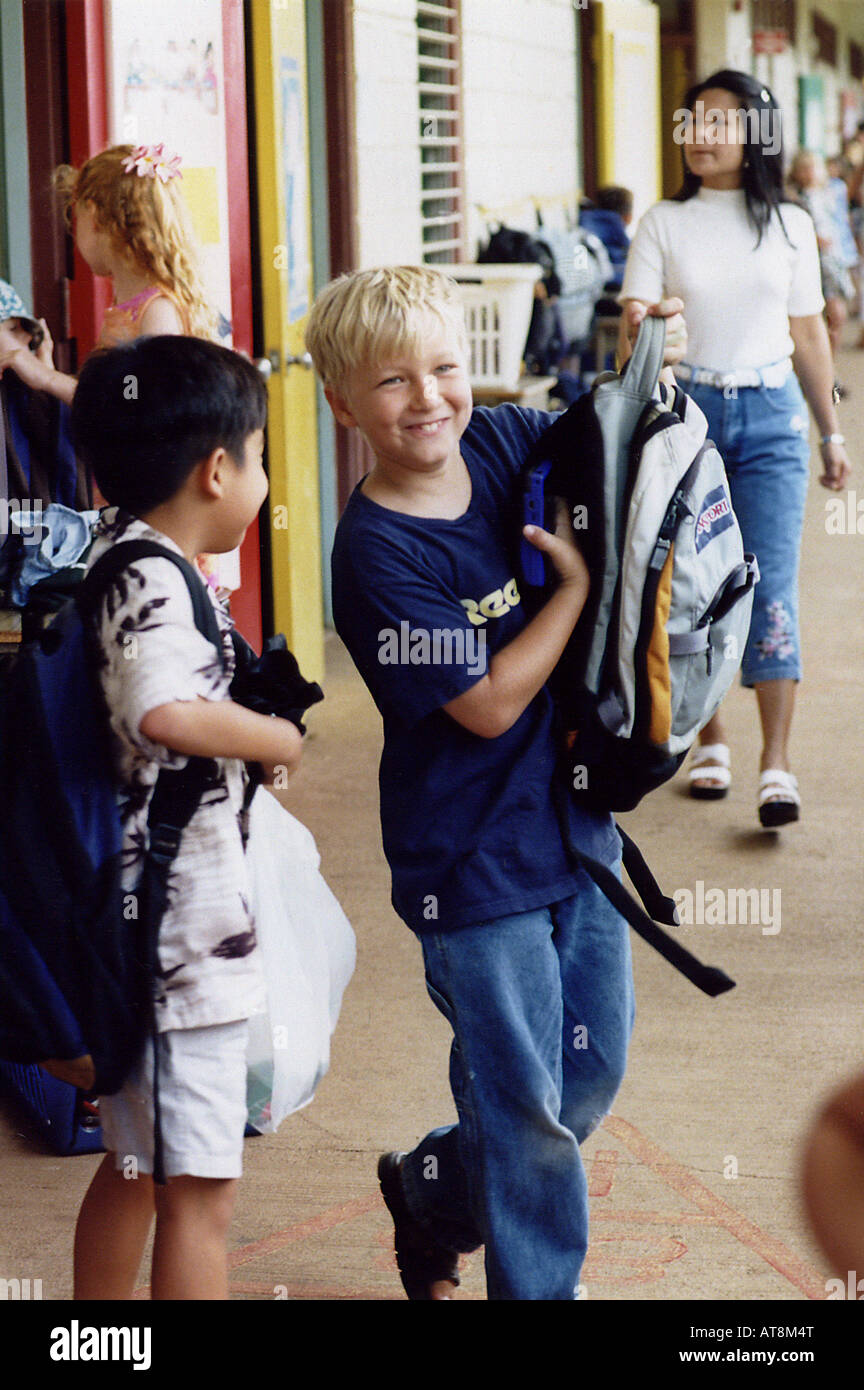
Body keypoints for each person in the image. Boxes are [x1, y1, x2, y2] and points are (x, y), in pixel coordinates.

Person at [307, 264, 686, 1300]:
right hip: (468, 869)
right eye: (392, 383)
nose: (428, 397)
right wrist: (568, 594)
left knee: (586, 1078)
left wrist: (645, 353)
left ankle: (431, 1190)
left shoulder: (502, 441)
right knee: (529, 1117)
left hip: (575, 832)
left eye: (442, 368)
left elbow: (605, 447)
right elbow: (485, 703)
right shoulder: (376, 552)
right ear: (341, 404)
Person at [67, 335, 303, 1300]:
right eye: (259, 457)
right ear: (219, 469)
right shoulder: (156, 577)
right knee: (199, 1193)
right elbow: (161, 712)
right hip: (180, 950)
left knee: (132, 1169)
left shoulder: (125, 551)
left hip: (145, 935)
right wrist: (272, 739)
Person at [620, 70, 851, 828]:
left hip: (774, 414)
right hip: (689, 417)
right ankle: (706, 734)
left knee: (772, 585)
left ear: (757, 134)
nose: (702, 133)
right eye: (694, 119)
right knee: (689, 580)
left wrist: (832, 431)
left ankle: (775, 763)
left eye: (720, 120)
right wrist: (647, 323)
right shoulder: (661, 222)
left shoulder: (787, 224)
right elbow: (635, 327)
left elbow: (809, 334)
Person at [0, 142, 217, 405]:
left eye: (75, 220)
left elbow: (139, 410)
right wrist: (48, 374)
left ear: (94, 218)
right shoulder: (135, 303)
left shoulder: (158, 311)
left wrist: (48, 378)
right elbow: (119, 395)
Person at [787, 150, 856, 362]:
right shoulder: (793, 199)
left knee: (837, 317)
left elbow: (842, 223)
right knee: (813, 319)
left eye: (813, 167)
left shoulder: (831, 192)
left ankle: (829, 369)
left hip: (832, 261)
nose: (809, 173)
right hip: (810, 264)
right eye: (804, 168)